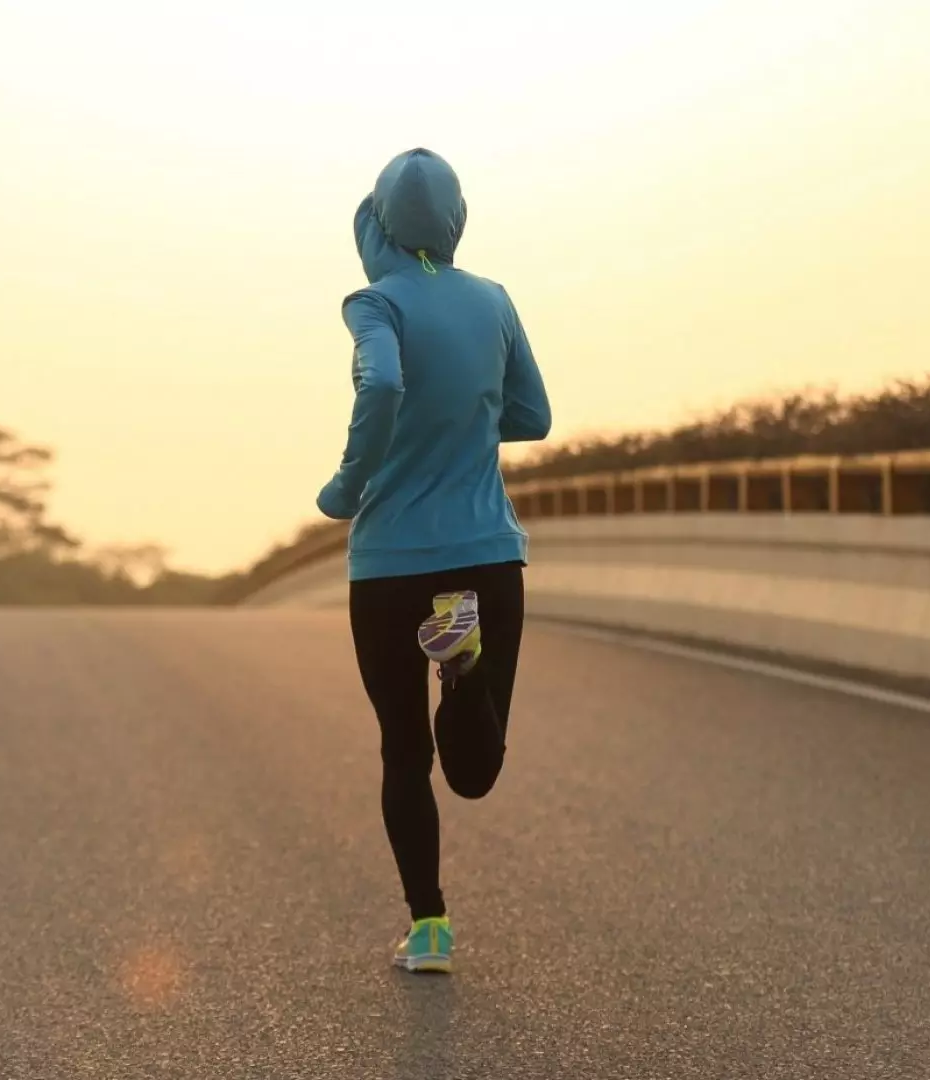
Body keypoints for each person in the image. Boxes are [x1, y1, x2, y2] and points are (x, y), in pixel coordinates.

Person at [315, 147, 552, 974]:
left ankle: (429, 930)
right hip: (486, 556)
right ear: (459, 220)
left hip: (389, 563)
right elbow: (534, 414)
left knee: (403, 754)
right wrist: (466, 424)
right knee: (476, 772)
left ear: (378, 223)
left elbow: (378, 388)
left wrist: (351, 483)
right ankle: (462, 669)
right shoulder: (494, 300)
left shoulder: (374, 304)